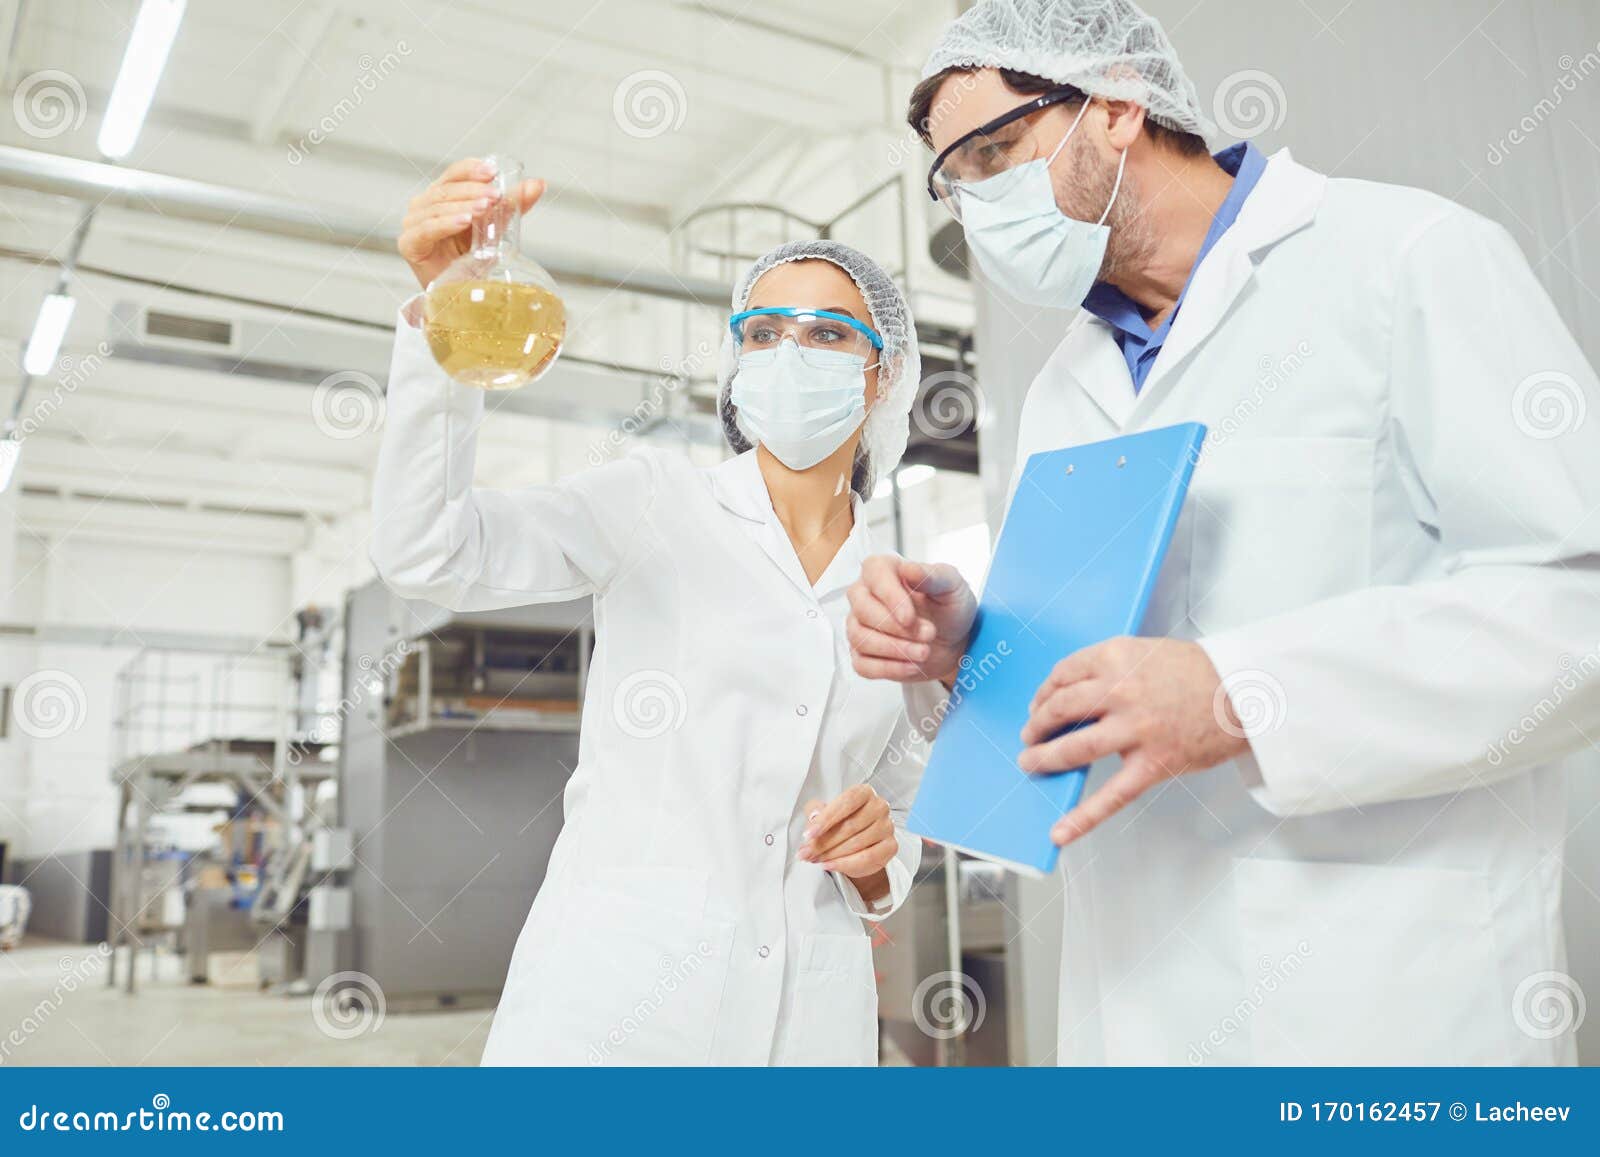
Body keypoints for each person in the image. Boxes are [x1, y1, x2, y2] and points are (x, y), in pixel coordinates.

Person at [848, 0, 1600, 1064]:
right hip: (1138, 1001)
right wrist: (971, 646)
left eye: (994, 151)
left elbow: (1574, 607)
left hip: (1380, 1003)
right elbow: (1093, 669)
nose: (974, 202)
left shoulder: (1403, 257)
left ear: (1114, 105)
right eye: (950, 178)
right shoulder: (1068, 383)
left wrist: (1242, 692)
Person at [371, 159, 933, 1065]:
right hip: (618, 1004)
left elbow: (903, 808)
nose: (789, 351)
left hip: (811, 1021)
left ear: (885, 373)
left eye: (828, 333)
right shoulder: (651, 504)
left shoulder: (901, 593)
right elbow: (428, 551)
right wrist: (447, 311)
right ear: (735, 364)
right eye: (763, 331)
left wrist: (879, 861)